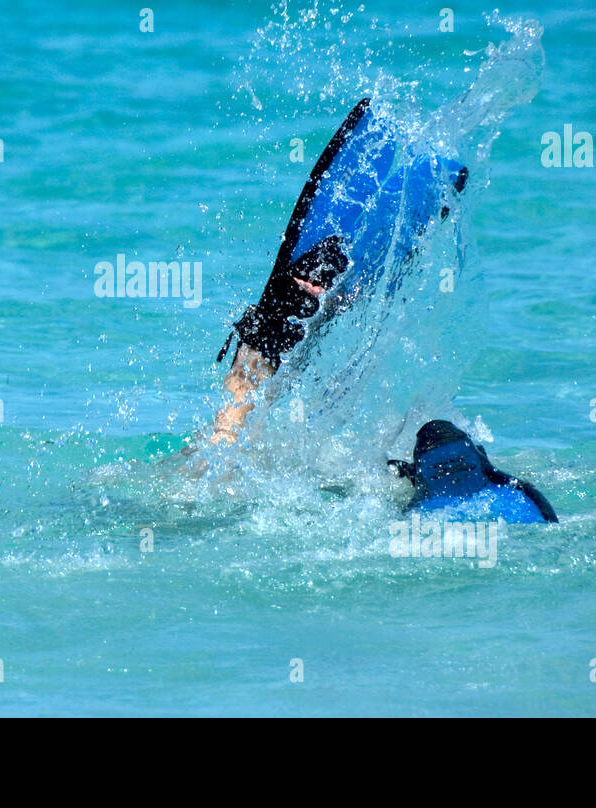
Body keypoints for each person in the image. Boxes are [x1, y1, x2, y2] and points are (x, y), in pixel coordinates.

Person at [207, 97, 557, 524]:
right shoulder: (517, 501)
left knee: (217, 458)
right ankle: (296, 327)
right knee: (228, 449)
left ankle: (261, 361)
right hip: (421, 519)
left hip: (254, 501)